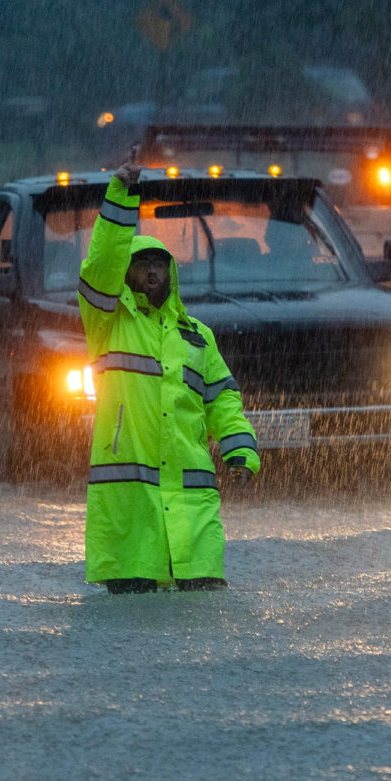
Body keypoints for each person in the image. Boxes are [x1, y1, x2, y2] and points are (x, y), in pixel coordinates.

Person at [77, 158, 260, 593]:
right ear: (126, 273)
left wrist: (241, 450)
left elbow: (223, 399)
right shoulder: (108, 323)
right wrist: (121, 195)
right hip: (130, 519)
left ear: (173, 273)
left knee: (204, 632)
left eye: (160, 263)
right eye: (142, 264)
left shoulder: (197, 337)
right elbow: (100, 262)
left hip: (192, 516)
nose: (153, 271)